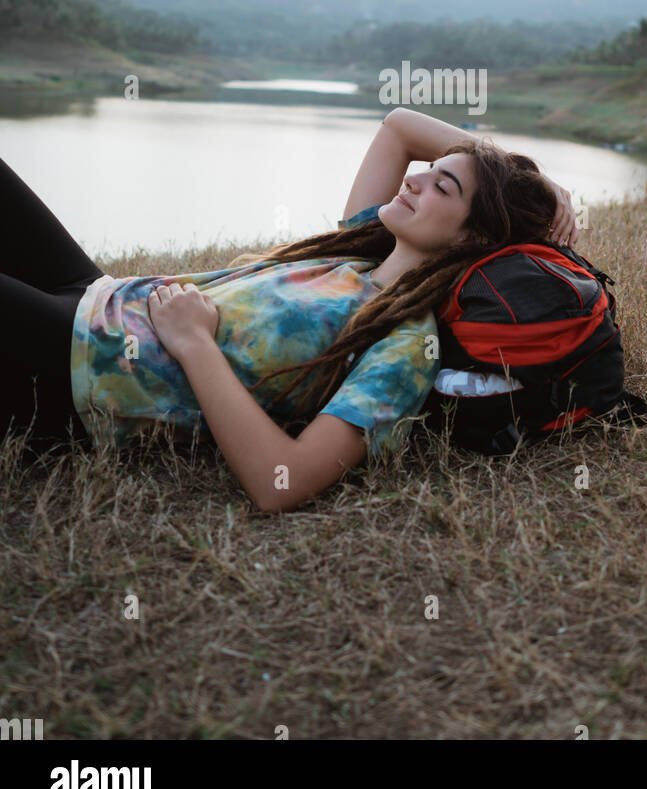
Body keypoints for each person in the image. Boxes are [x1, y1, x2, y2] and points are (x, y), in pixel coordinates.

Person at [0, 108, 581, 510]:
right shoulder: (361, 252)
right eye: (430, 170)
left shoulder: (404, 344)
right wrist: (536, 182)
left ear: (473, 238)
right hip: (97, 295)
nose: (415, 179)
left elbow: (282, 482)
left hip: (78, 369)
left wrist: (195, 343)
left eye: (442, 187)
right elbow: (399, 127)